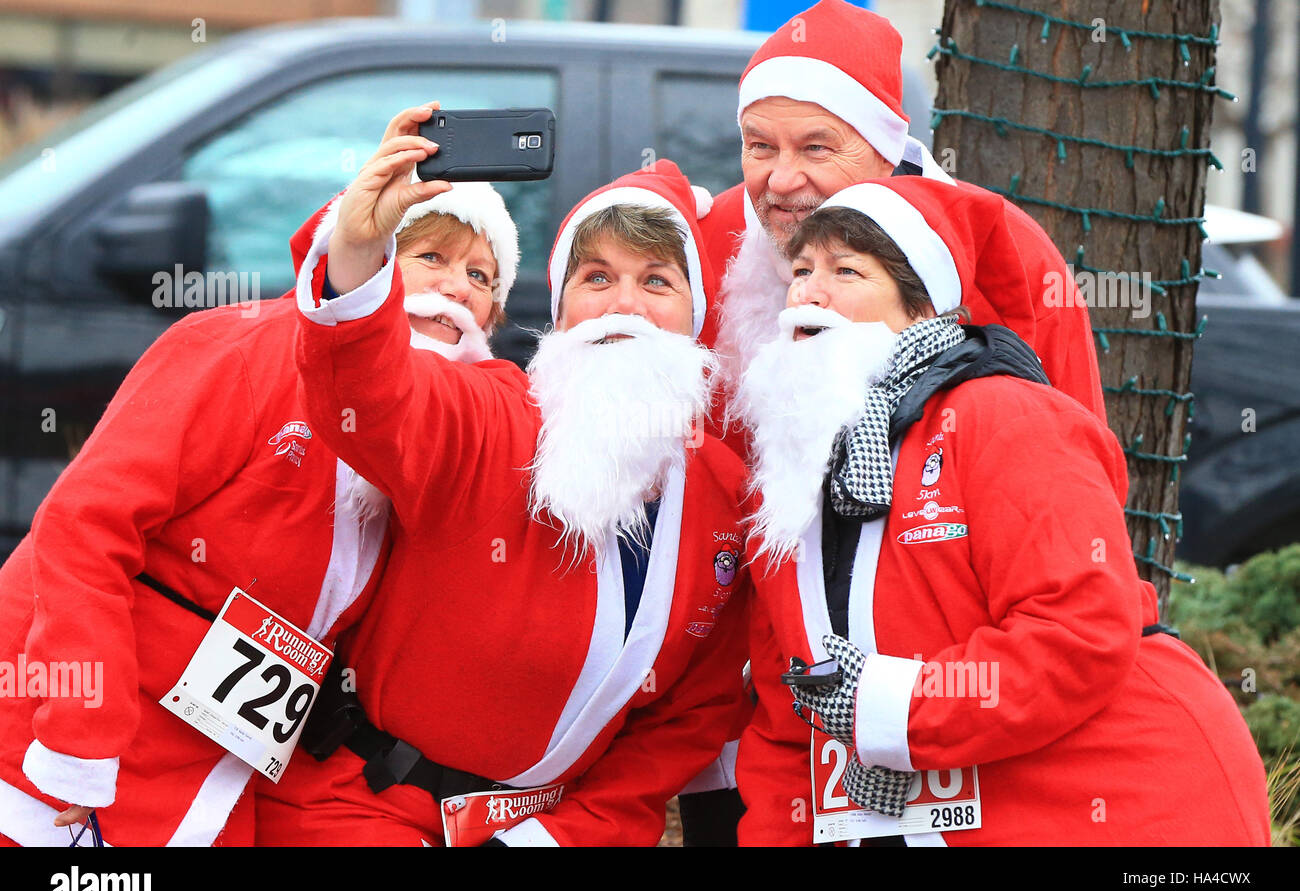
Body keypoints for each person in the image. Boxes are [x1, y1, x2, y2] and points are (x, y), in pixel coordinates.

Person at [0, 100, 519, 845]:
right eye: (430, 257)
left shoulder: (445, 442)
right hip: (61, 761)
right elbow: (85, 527)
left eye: (482, 275)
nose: (460, 288)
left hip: (214, 781)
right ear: (370, 253)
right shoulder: (241, 349)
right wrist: (80, 740)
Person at [253, 116, 751, 845]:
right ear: (559, 309)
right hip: (366, 808)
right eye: (597, 278)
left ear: (694, 315)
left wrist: (568, 834)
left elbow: (687, 720)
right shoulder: (489, 409)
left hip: (551, 829)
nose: (624, 306)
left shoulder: (726, 495)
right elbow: (371, 399)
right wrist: (358, 253)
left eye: (656, 282)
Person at [732, 175, 1270, 845]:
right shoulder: (786, 476)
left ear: (923, 309)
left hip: (1122, 800)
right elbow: (791, 713)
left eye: (846, 271)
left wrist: (889, 705)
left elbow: (1077, 633)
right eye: (802, 269)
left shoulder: (1007, 417)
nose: (808, 290)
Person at [699, 0, 1104, 438]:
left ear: (885, 152)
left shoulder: (1003, 250)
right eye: (760, 146)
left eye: (816, 148)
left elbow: (1068, 459)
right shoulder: (708, 239)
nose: (780, 179)